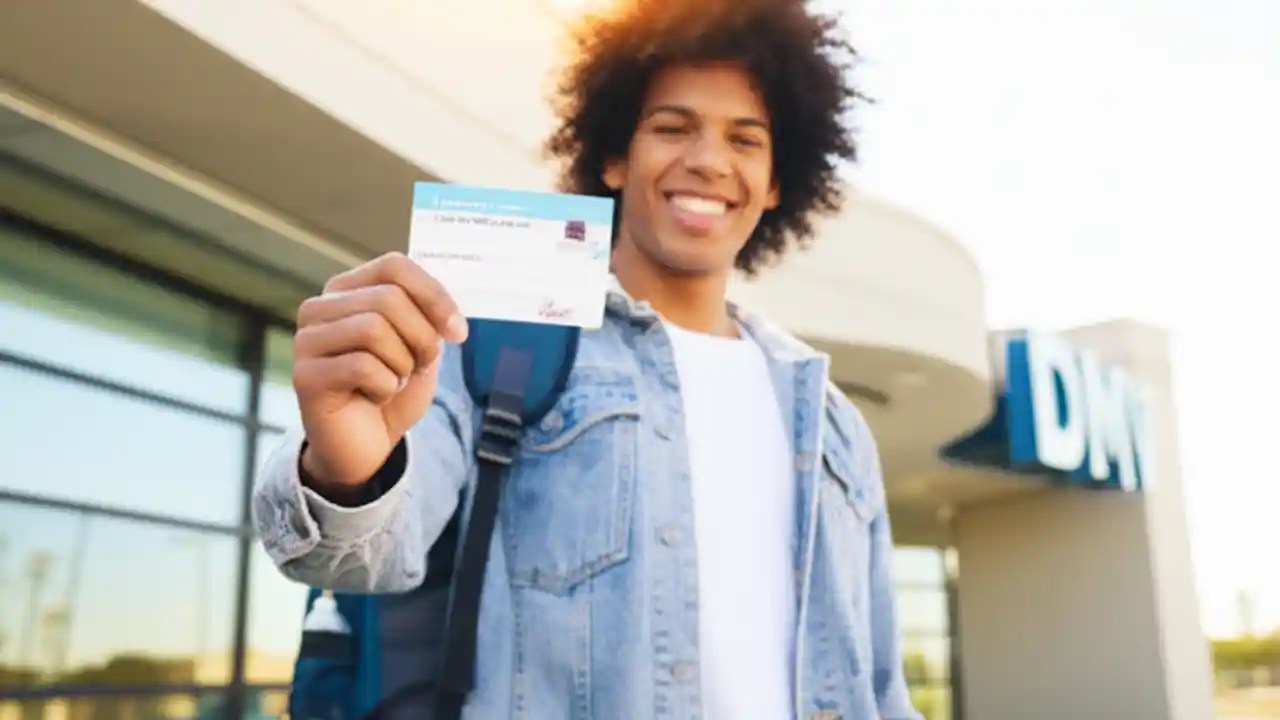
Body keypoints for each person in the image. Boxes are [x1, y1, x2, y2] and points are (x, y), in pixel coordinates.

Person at [253, 0, 922, 717]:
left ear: (777, 181)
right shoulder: (501, 346)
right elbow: (360, 557)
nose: (707, 160)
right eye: (672, 127)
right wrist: (348, 463)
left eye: (745, 139)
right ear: (612, 156)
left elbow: (883, 687)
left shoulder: (834, 421)